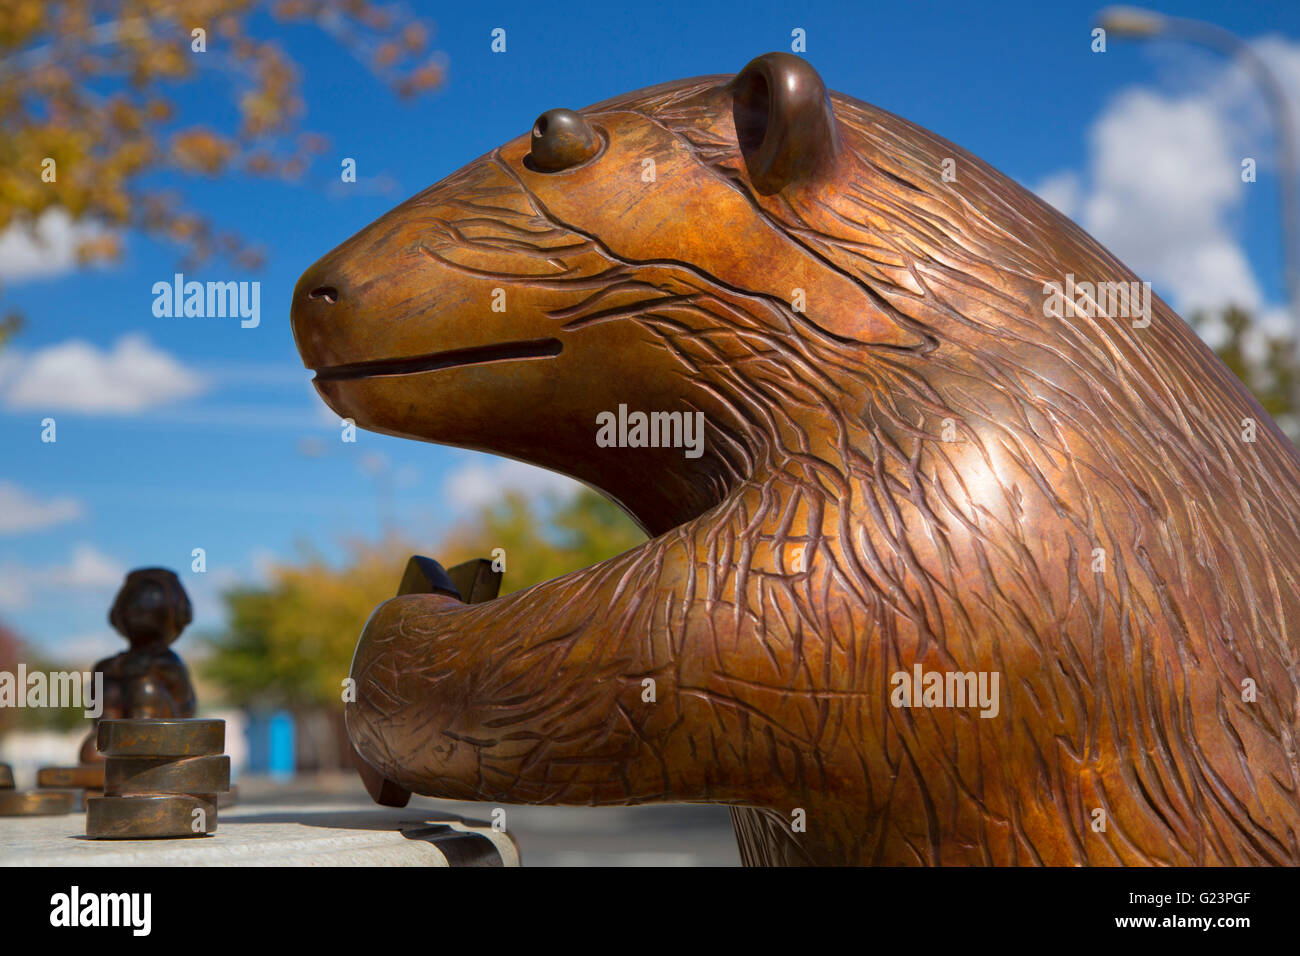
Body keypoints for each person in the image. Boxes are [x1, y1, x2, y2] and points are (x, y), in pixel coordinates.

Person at [78, 568, 198, 764]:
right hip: (123, 733)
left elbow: (183, 701)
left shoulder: (167, 663)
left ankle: (143, 739)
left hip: (168, 732)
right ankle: (104, 737)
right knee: (104, 681)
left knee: (145, 684)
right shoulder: (120, 662)